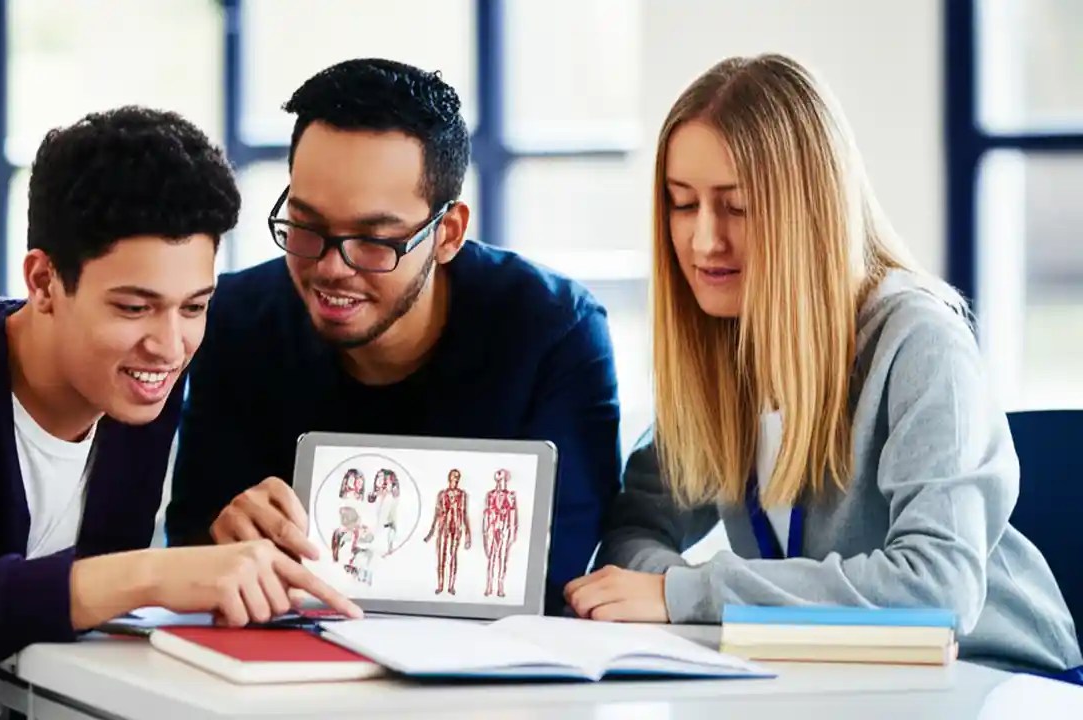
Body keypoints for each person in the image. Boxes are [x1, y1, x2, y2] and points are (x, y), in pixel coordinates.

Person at [0, 106, 359, 717]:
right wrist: (150, 575)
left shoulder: (135, 389)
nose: (170, 346)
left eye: (194, 307)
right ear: (43, 281)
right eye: (133, 308)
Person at [565, 54, 1082, 680]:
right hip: (838, 676)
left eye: (738, 206)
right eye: (682, 204)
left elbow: (936, 590)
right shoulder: (725, 350)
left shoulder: (921, 345)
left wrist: (686, 593)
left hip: (996, 679)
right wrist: (666, 587)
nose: (704, 241)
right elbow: (635, 531)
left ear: (807, 210)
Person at [167, 58, 622, 613]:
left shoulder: (553, 332)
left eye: (374, 240)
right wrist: (221, 537)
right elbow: (191, 540)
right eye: (306, 227)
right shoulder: (235, 319)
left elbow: (560, 576)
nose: (332, 268)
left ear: (447, 234)